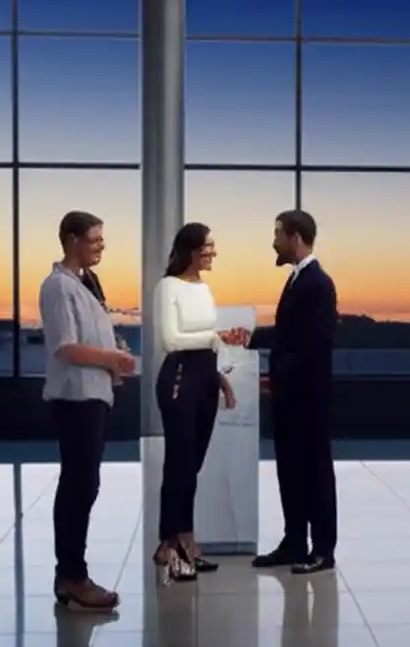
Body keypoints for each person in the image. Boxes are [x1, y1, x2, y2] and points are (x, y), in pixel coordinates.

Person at [39, 210, 135, 612]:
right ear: (73, 239)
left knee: (84, 485)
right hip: (75, 398)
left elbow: (91, 337)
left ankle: (73, 573)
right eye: (95, 239)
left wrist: (116, 355)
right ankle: (73, 576)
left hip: (93, 397)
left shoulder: (85, 284)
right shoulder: (58, 287)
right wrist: (110, 357)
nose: (101, 246)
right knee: (79, 486)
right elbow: (65, 347)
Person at [152, 222, 248, 581]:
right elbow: (172, 340)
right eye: (208, 246)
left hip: (205, 380)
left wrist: (220, 378)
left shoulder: (203, 288)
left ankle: (176, 543)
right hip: (179, 380)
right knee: (179, 465)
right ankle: (177, 547)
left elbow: (206, 342)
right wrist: (217, 335)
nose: (213, 253)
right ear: (191, 250)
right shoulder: (168, 287)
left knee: (189, 467)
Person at [252, 209, 339, 575]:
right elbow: (290, 334)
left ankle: (322, 549)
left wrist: (279, 375)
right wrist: (249, 339)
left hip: (308, 398)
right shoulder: (297, 280)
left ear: (295, 236)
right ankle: (293, 542)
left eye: (277, 234)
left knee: (315, 469)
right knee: (290, 469)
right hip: (291, 396)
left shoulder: (318, 283)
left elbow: (315, 344)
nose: (274, 241)